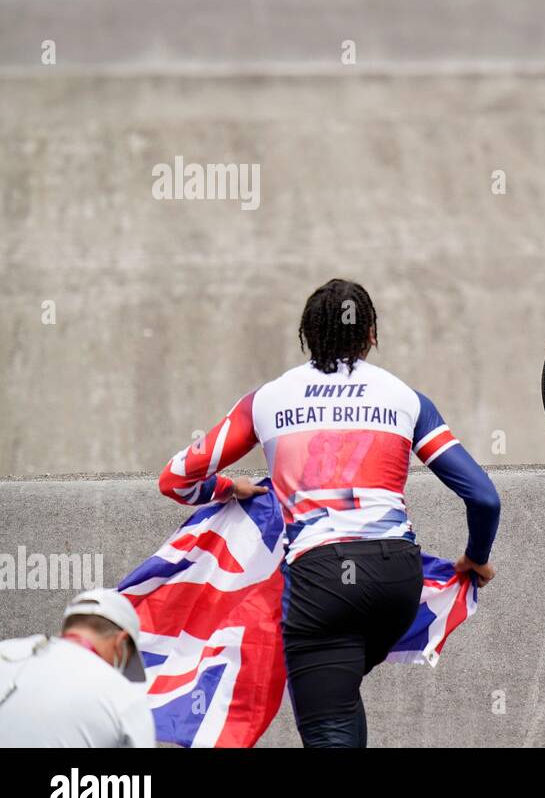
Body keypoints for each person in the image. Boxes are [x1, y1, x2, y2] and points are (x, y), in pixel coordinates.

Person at [157, 278, 500, 747]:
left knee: (328, 726)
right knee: (341, 699)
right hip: (397, 579)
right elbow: (483, 497)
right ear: (371, 334)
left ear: (307, 336)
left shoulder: (267, 400)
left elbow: (176, 478)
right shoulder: (406, 398)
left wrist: (229, 486)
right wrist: (475, 556)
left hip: (323, 581)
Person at [0, 587, 156, 747]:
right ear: (121, 642)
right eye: (127, 659)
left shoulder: (5, 650)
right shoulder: (125, 696)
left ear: (66, 630)